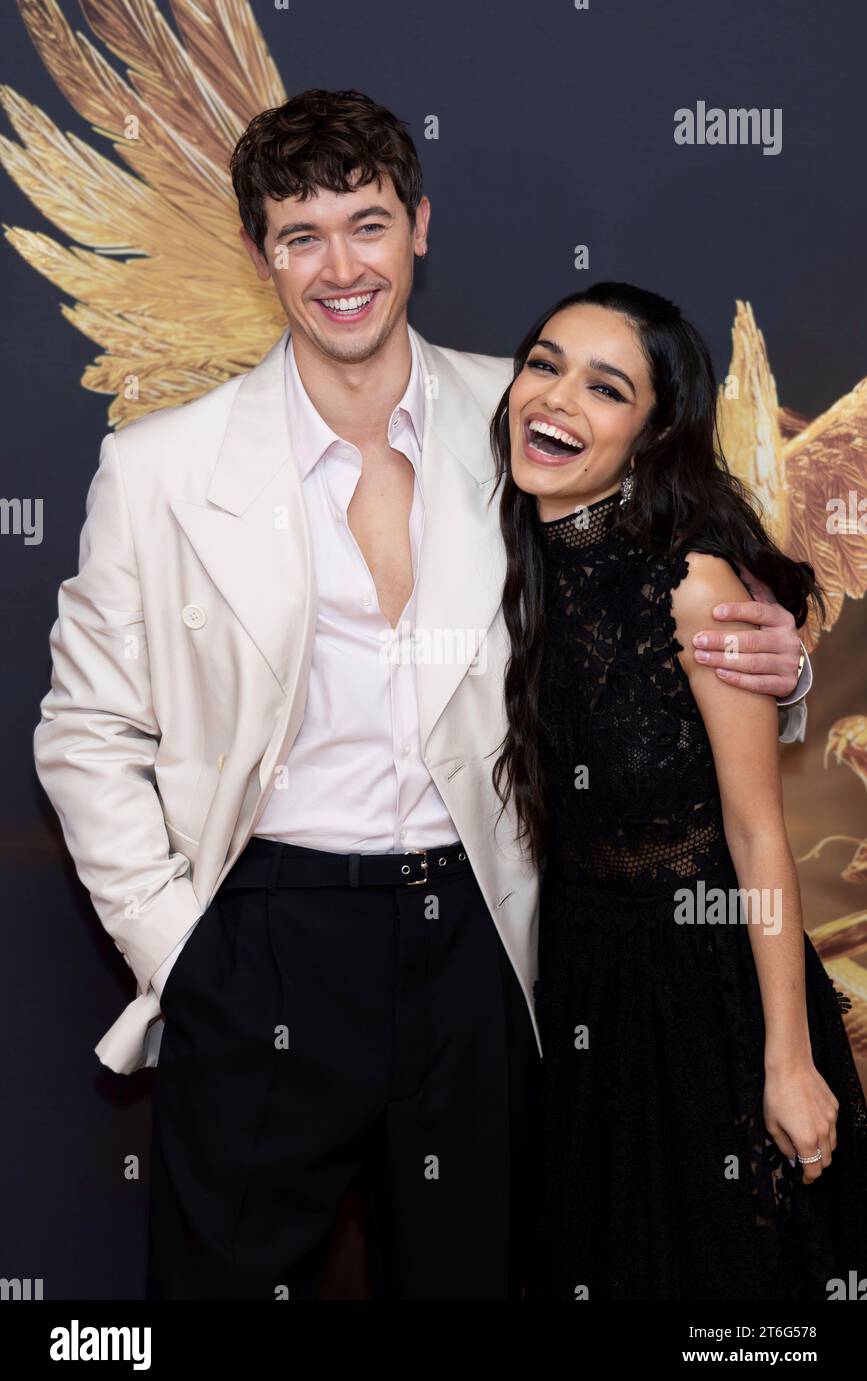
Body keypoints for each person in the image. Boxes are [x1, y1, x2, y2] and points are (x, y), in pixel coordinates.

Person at [33, 91, 809, 1300]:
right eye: (301, 234)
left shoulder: (529, 416)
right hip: (264, 933)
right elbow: (85, 729)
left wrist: (781, 669)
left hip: (483, 941)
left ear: (420, 228)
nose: (340, 267)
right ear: (257, 255)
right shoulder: (160, 468)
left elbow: (653, 608)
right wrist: (182, 957)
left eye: (368, 223)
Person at [490, 281, 867, 1300]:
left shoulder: (693, 585)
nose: (557, 399)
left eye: (606, 387)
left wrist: (788, 1059)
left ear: (654, 435)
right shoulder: (510, 549)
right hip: (577, 976)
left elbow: (756, 839)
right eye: (543, 363)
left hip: (705, 986)